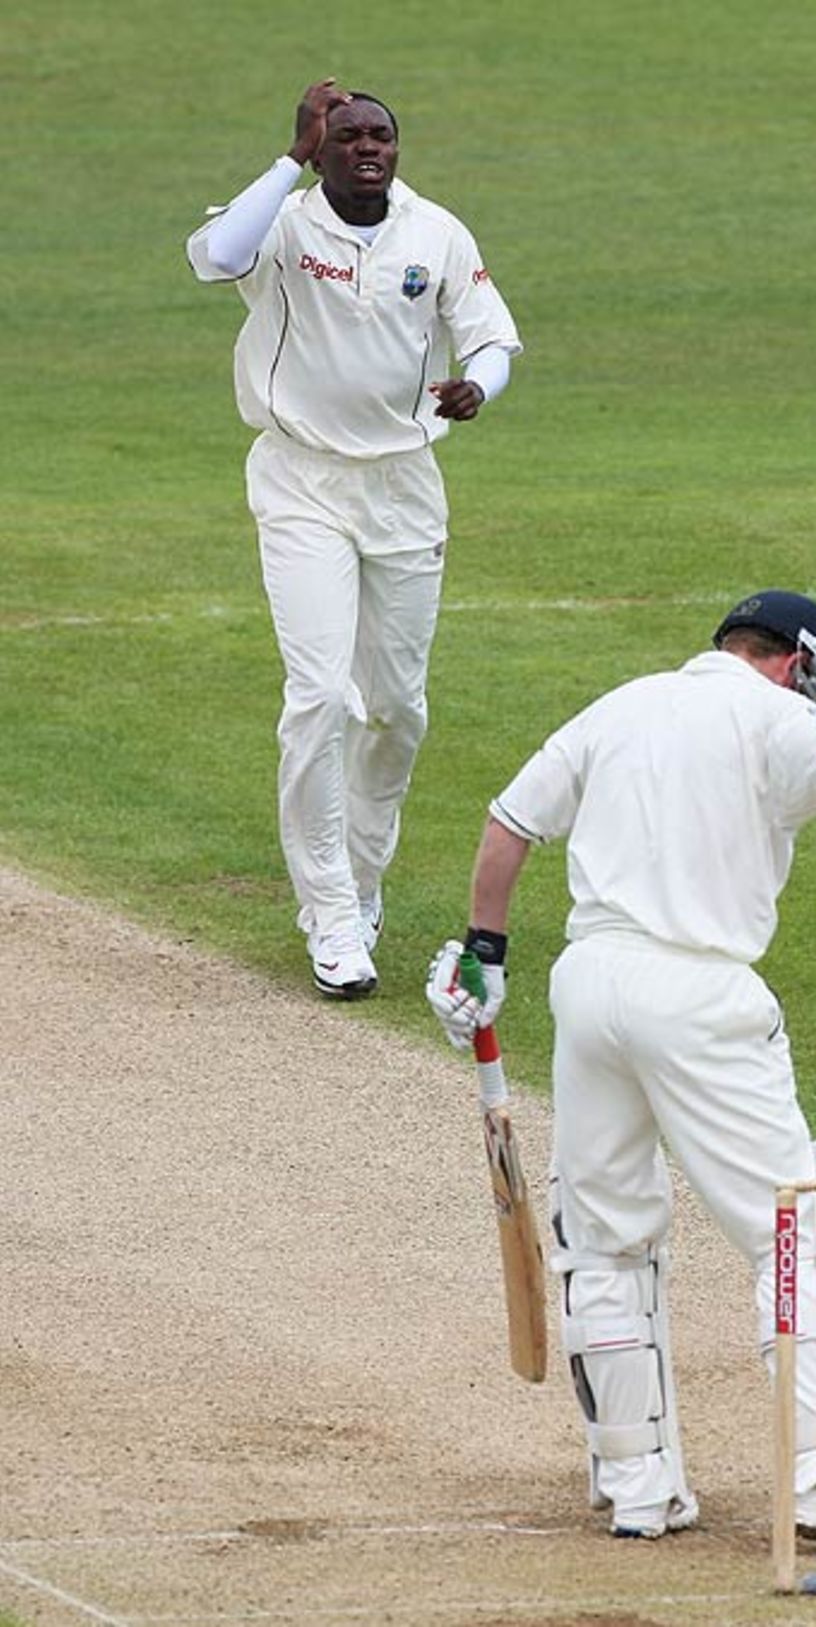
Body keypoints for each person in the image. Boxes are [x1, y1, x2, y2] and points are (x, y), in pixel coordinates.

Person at [426, 589, 816, 1542]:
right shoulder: (776, 714)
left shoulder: (624, 703)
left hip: (589, 988)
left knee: (607, 1237)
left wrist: (482, 952)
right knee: (804, 1229)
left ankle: (637, 1486)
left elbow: (509, 825)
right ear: (797, 665)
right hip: (700, 998)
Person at [186, 79, 522, 998]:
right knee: (320, 697)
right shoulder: (285, 225)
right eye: (348, 136)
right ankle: (329, 913)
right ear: (321, 147)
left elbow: (491, 338)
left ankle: (363, 883)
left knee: (397, 708)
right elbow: (216, 255)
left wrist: (478, 387)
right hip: (300, 481)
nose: (369, 148)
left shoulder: (435, 233)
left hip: (405, 486)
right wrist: (288, 157)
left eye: (383, 136)